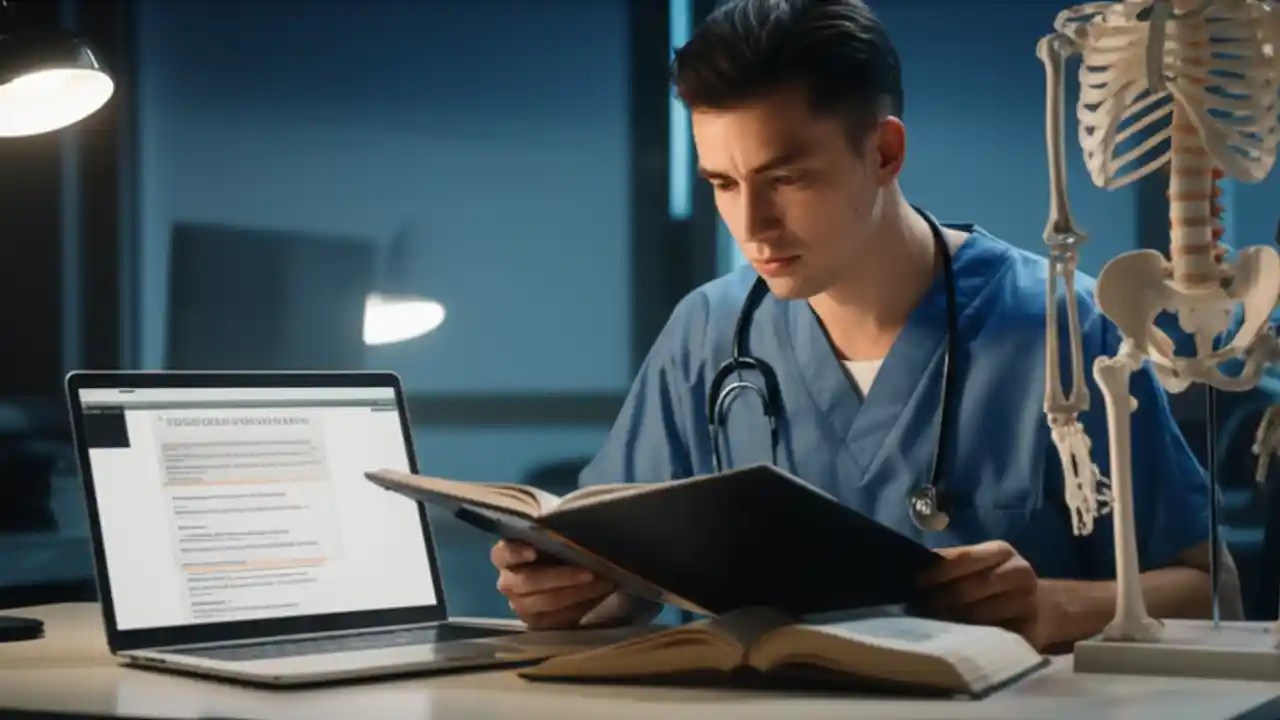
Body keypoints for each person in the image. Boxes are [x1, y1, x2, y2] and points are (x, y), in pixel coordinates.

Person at [491, 0, 1239, 650]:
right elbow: (626, 575)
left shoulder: (1062, 326)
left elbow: (1212, 589)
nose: (751, 226)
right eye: (723, 183)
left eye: (787, 178)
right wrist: (574, 592)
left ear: (884, 152)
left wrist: (1056, 604)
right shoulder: (709, 333)